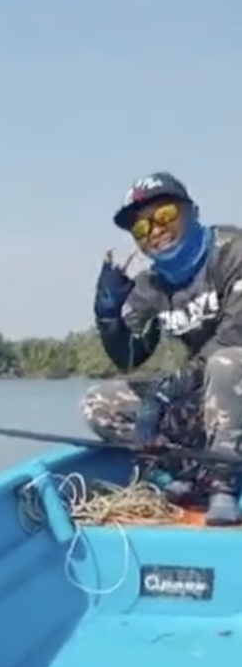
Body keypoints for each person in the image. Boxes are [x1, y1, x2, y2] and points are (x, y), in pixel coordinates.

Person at [82, 171, 242, 525]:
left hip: (234, 380)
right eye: (141, 228)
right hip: (209, 401)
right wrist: (107, 313)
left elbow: (234, 336)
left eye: (165, 215)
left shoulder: (233, 251)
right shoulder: (151, 285)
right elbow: (132, 358)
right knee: (100, 402)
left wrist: (167, 393)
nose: (155, 230)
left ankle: (224, 484)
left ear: (192, 212)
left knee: (227, 362)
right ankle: (177, 475)